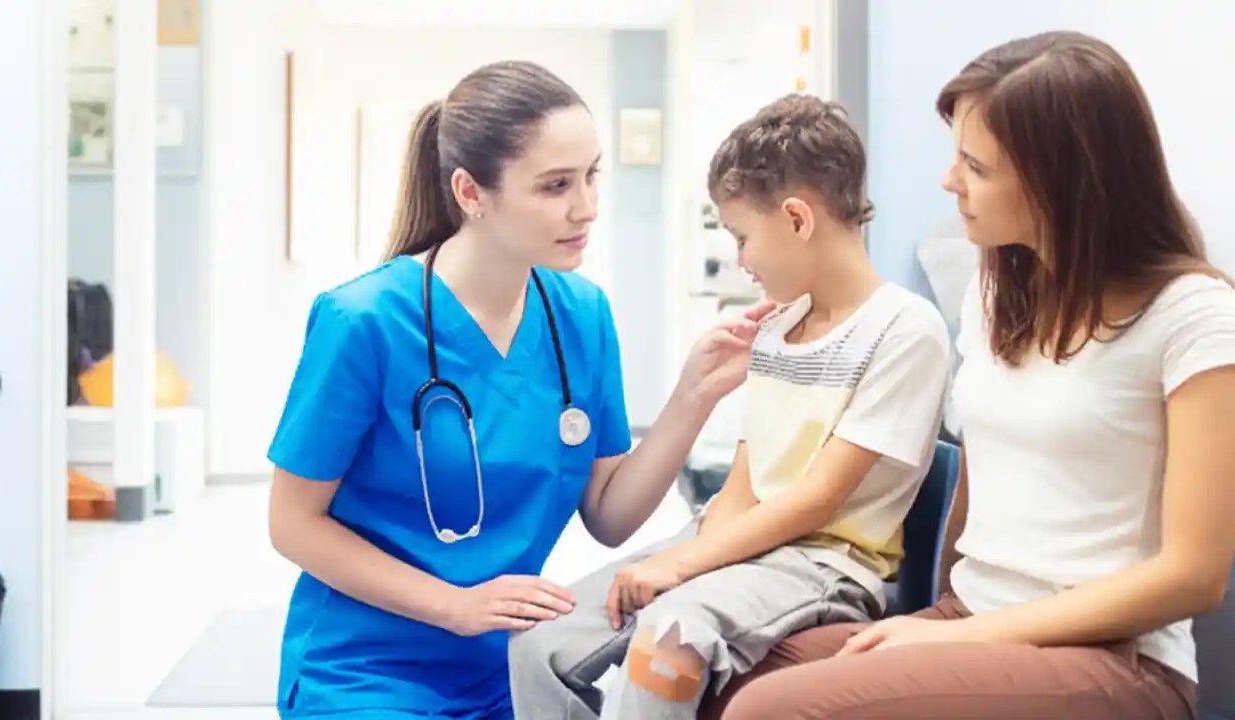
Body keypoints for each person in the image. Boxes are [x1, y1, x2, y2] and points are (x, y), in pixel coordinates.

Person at [702, 30, 1235, 720]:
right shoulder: (996, 294)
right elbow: (974, 489)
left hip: (1115, 658)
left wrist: (953, 639)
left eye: (975, 167)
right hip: (971, 620)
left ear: (1061, 180)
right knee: (707, 668)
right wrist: (933, 620)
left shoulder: (1194, 317)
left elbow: (1194, 577)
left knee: (768, 711)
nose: (950, 181)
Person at [265, 60, 770, 719]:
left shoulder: (580, 315)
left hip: (512, 664)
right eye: (556, 185)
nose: (586, 206)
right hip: (367, 672)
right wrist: (456, 605)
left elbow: (609, 515)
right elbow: (291, 524)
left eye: (592, 175)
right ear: (471, 193)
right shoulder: (364, 322)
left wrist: (694, 396)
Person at [508, 93, 952, 719]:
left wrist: (687, 567)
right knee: (541, 641)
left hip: (823, 563)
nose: (740, 260)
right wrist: (685, 554)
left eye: (743, 237)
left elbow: (816, 498)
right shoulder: (779, 327)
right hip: (743, 541)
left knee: (669, 639)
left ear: (798, 219)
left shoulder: (906, 331)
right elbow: (748, 479)